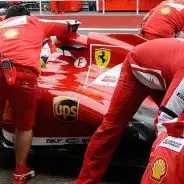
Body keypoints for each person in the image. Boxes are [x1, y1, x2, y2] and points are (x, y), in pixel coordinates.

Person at [75, 38, 184, 184]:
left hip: (164, 71)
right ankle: (85, 181)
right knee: (111, 127)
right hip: (136, 71)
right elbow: (164, 122)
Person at [0, 4, 76, 184]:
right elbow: (69, 26)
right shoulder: (35, 22)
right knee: (24, 125)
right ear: (27, 15)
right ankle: (20, 172)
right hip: (22, 75)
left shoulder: (1, 25)